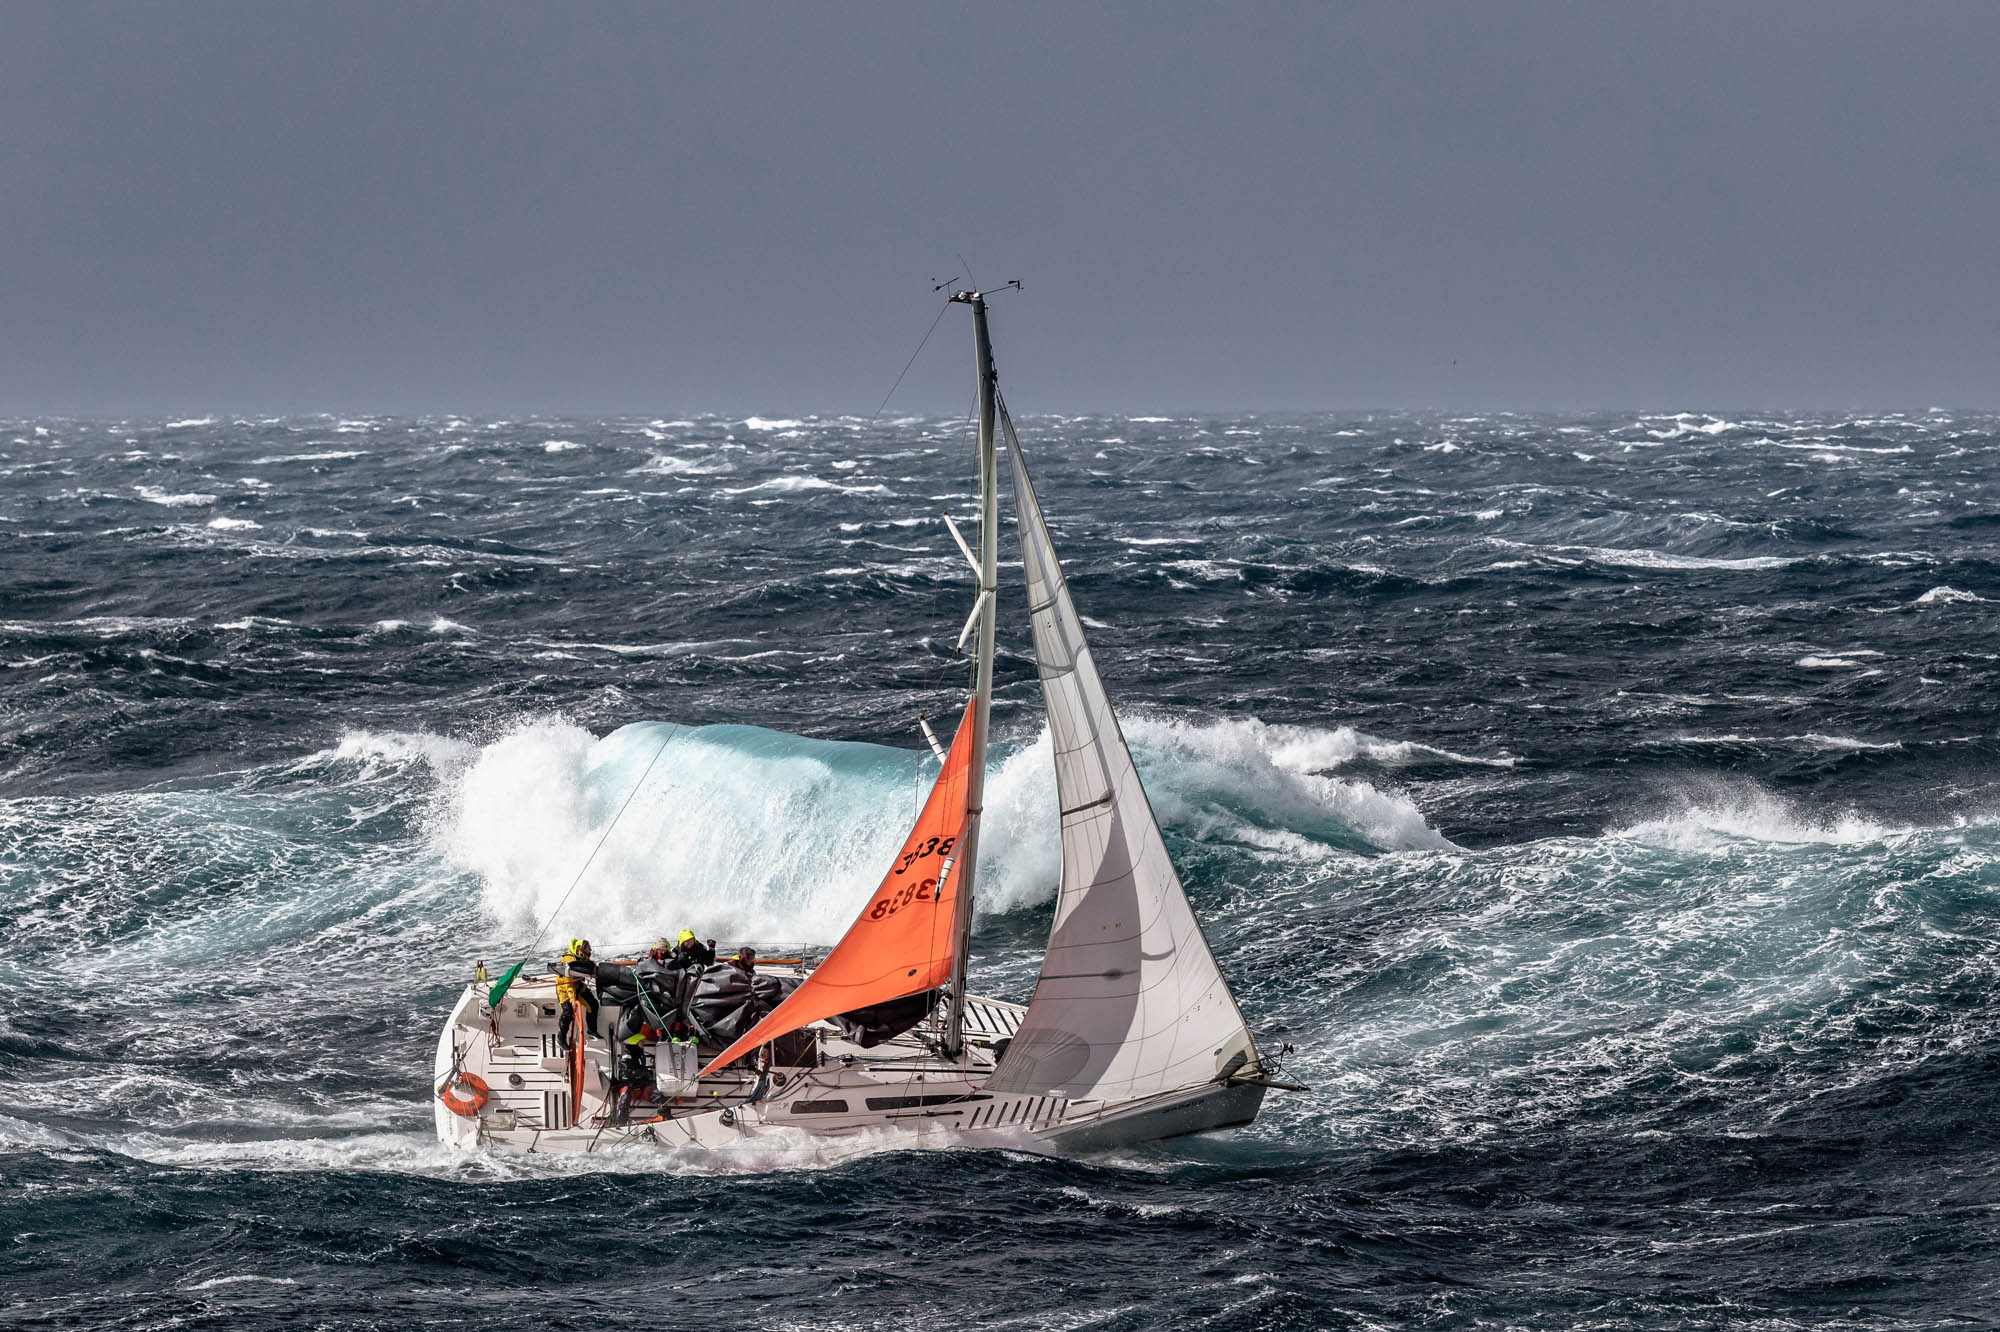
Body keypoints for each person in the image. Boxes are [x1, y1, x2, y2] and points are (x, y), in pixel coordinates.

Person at [554, 937, 599, 1053]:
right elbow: (568, 983)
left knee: (593, 1005)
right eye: (589, 949)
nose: (591, 951)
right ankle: (561, 1037)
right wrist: (573, 999)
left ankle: (592, 1030)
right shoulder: (569, 960)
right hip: (564, 989)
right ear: (581, 950)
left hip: (578, 986)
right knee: (568, 1013)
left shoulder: (581, 957)